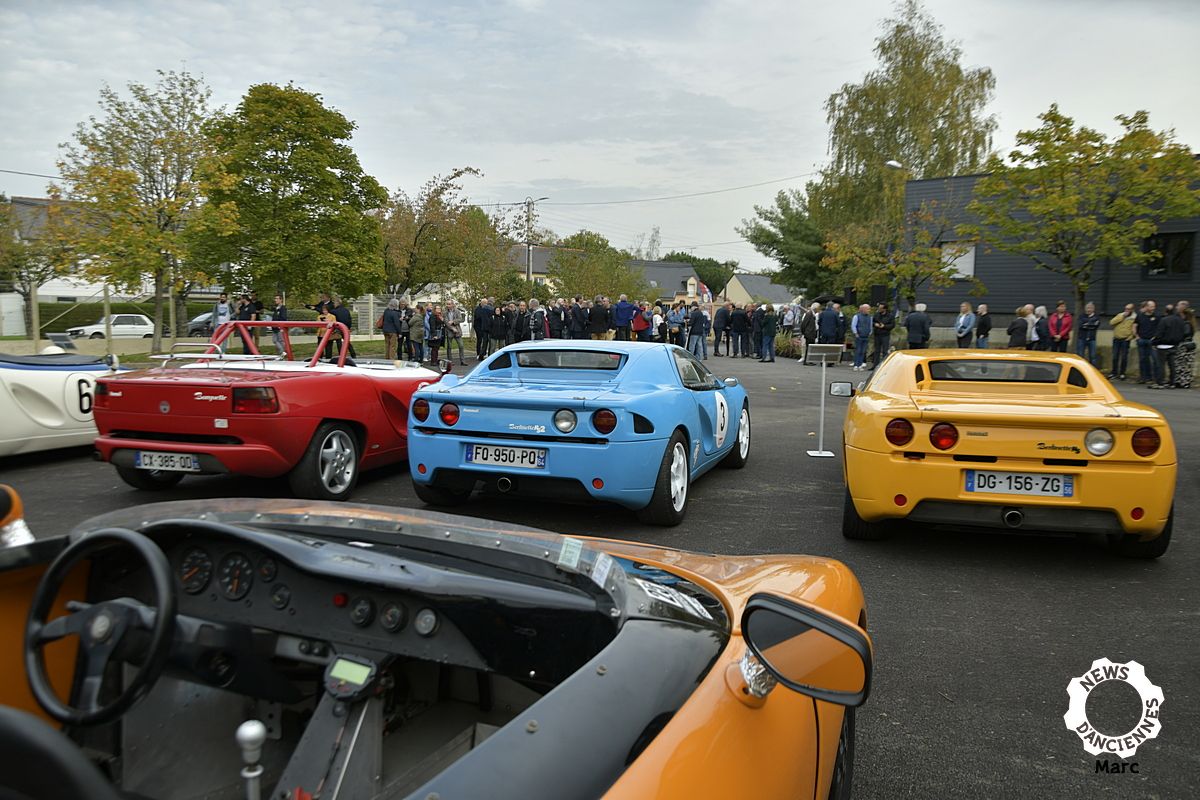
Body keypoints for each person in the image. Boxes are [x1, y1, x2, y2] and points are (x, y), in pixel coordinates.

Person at [1150, 302, 1189, 389]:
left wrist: (1154, 342)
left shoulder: (1164, 320)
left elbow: (1159, 334)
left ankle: (1160, 382)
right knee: (1172, 365)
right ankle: (1172, 382)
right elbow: (1183, 333)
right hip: (1174, 345)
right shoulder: (1180, 321)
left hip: (1162, 345)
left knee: (1161, 365)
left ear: (1165, 312)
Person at [1134, 300, 1161, 385]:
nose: (1153, 308)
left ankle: (1155, 378)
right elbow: (1135, 326)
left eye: (1154, 306)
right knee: (1143, 360)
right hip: (1141, 340)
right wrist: (1136, 336)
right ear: (1147, 307)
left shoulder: (1157, 317)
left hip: (1152, 341)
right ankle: (1144, 377)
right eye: (1151, 306)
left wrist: (1155, 337)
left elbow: (1160, 328)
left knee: (1155, 360)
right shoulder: (1140, 316)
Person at [1108, 303, 1136, 380]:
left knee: (1124, 357)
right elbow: (1111, 322)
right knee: (1115, 356)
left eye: (1128, 309)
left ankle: (1122, 373)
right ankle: (1114, 372)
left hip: (1125, 339)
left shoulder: (1134, 317)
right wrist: (1122, 317)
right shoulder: (1120, 315)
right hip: (1117, 338)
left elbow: (1135, 328)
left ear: (1132, 310)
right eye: (1125, 309)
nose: (1126, 311)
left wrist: (1131, 337)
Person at [1171, 300, 1195, 389]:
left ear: (1182, 309)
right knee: (1184, 364)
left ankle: (1183, 382)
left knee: (1182, 364)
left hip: (1184, 345)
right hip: (1188, 344)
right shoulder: (1189, 319)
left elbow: (1186, 333)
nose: (1176, 307)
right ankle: (1183, 381)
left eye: (1178, 306)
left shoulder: (1185, 322)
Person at [328, 294, 356, 359]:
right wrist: (349, 328)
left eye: (334, 303)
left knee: (338, 341)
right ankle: (353, 354)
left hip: (338, 327)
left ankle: (341, 355)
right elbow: (349, 319)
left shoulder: (334, 311)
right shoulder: (346, 310)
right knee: (347, 342)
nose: (333, 305)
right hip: (346, 328)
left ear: (337, 303)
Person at [869, 302, 895, 368]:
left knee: (885, 350)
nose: (879, 309)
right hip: (877, 334)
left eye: (881, 308)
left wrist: (884, 326)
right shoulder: (877, 314)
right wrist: (875, 324)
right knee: (876, 350)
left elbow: (892, 325)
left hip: (885, 334)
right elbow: (872, 321)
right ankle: (875, 365)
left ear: (885, 309)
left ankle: (884, 365)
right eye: (879, 308)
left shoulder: (890, 316)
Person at [851, 303, 872, 370]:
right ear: (864, 309)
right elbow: (853, 325)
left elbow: (870, 326)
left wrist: (870, 332)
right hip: (859, 336)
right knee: (858, 350)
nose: (869, 310)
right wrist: (855, 333)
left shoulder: (870, 317)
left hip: (866, 336)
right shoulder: (857, 316)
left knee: (863, 351)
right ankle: (856, 364)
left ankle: (860, 364)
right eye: (868, 309)